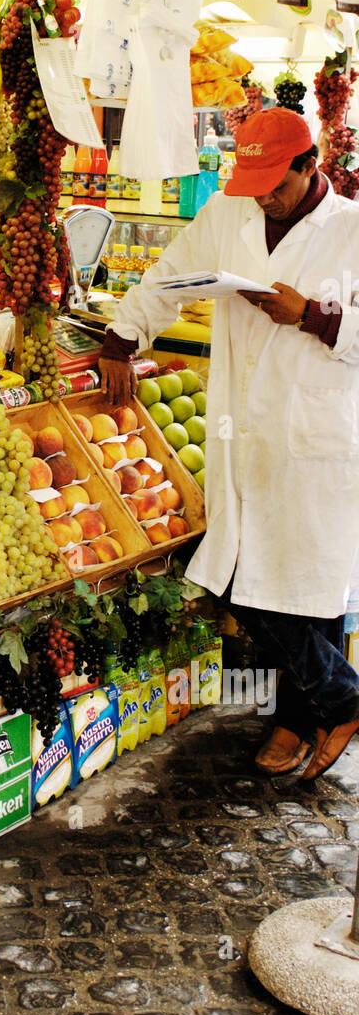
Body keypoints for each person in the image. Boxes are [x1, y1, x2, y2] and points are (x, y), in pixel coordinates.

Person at [98, 107, 359, 780]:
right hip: (241, 426)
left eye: (277, 182)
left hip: (316, 431)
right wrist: (125, 337)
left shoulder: (351, 230)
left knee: (307, 583)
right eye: (255, 182)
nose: (264, 196)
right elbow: (170, 274)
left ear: (310, 166)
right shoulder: (227, 213)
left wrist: (316, 316)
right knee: (243, 575)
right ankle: (338, 700)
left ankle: (308, 714)